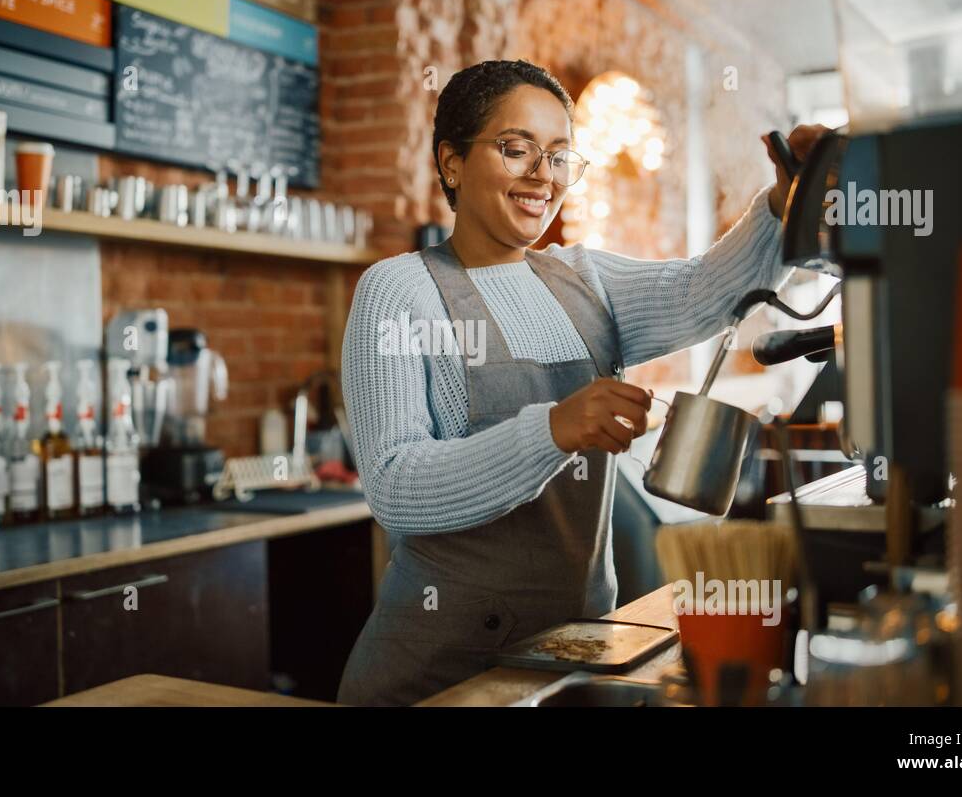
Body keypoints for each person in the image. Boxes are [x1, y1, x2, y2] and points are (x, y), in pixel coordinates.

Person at [336, 59, 823, 706]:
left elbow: (702, 294)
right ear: (451, 163)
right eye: (517, 149)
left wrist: (778, 207)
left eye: (560, 155)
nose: (543, 174)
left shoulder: (584, 278)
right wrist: (555, 428)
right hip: (440, 673)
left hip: (573, 652)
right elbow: (398, 487)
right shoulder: (399, 290)